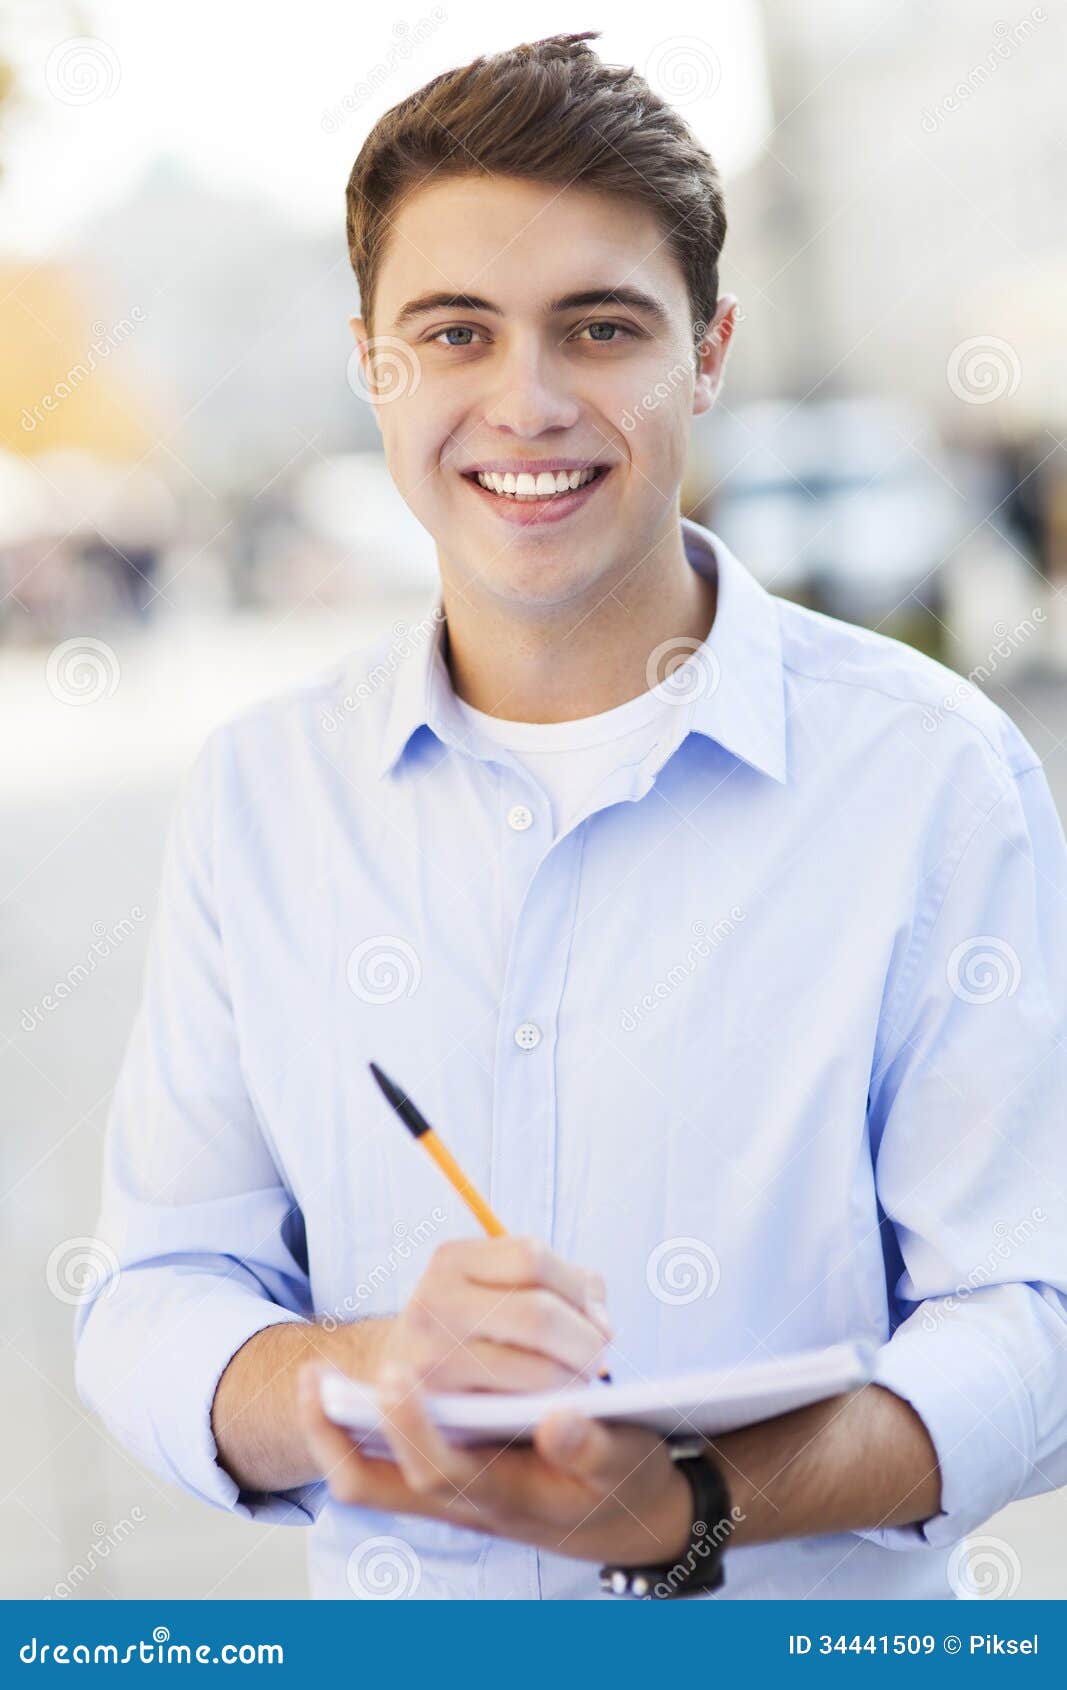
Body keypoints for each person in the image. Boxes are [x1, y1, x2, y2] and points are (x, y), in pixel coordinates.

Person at [74, 32, 1067, 1600]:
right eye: (456, 333)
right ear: (375, 367)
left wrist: (691, 1503)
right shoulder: (262, 793)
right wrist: (374, 1368)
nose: (525, 402)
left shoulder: (934, 776)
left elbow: (1033, 1314)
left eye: (599, 327)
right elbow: (153, 1293)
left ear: (710, 350)